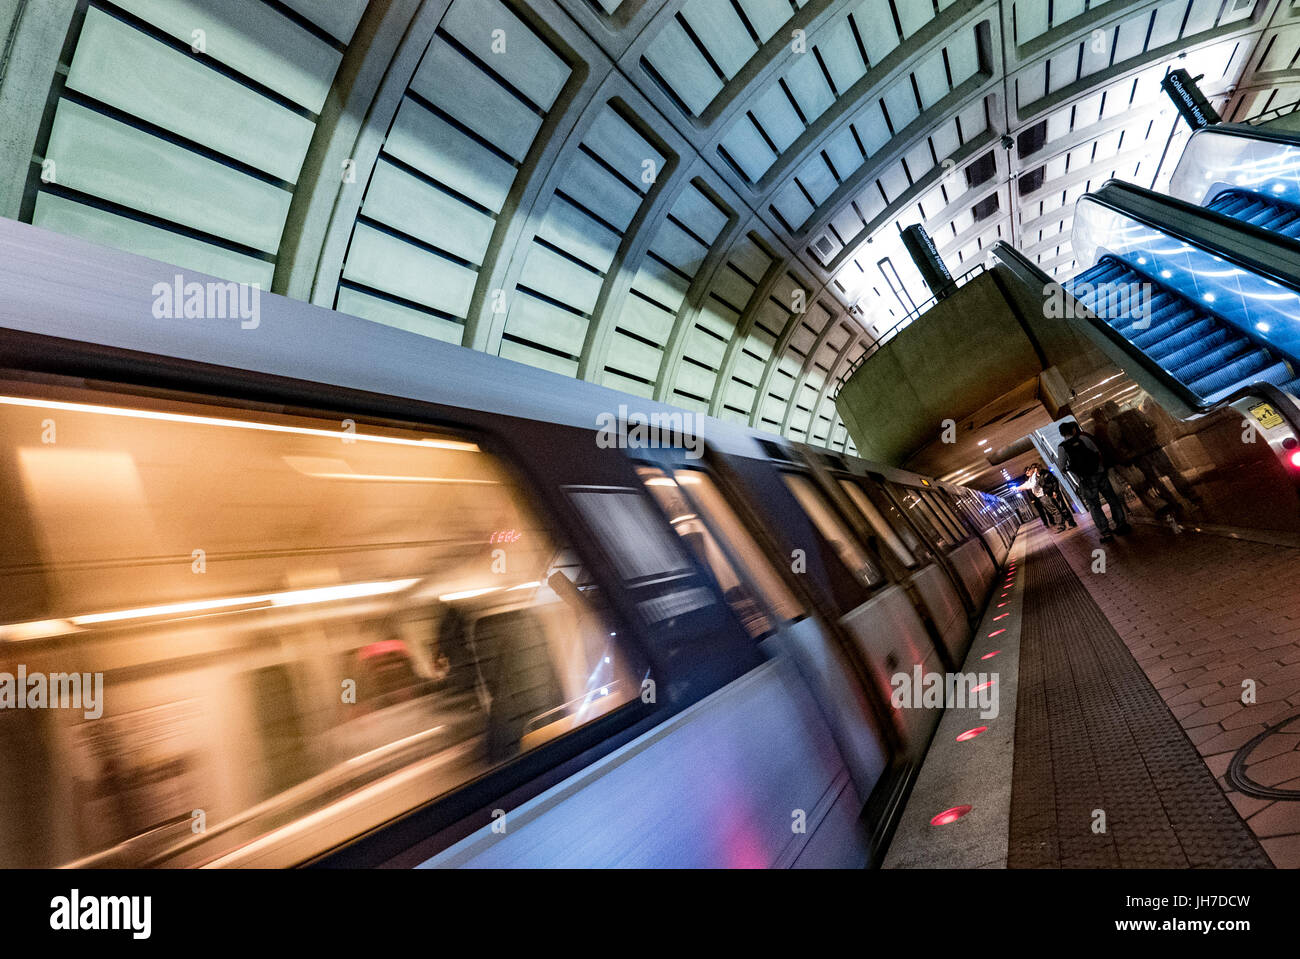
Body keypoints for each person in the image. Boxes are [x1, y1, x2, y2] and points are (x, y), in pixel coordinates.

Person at [1107, 400, 1202, 523]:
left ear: (1108, 412)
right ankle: (1191, 496)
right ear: (1117, 406)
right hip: (1154, 448)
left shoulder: (1113, 424)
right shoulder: (1134, 412)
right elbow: (1152, 424)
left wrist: (1129, 452)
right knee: (1172, 473)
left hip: (1139, 457)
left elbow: (1116, 444)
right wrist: (1151, 438)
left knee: (1155, 481)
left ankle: (1174, 504)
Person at [1058, 419, 1130, 543]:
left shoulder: (1062, 447)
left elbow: (1061, 467)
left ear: (1062, 434)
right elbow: (1097, 452)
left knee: (1094, 506)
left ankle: (1106, 533)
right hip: (1099, 474)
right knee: (1112, 499)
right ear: (1072, 430)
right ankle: (1121, 524)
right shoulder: (1083, 439)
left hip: (1085, 480)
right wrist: (1100, 468)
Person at [1016, 463, 1060, 529]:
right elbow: (1026, 484)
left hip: (1043, 495)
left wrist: (1022, 488)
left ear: (1032, 470)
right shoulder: (1030, 479)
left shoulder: (1034, 476)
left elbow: (1032, 485)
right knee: (1050, 510)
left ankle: (1060, 524)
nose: (1027, 472)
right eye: (1026, 472)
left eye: (1029, 470)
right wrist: (1018, 488)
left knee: (1053, 510)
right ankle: (1059, 524)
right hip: (1039, 497)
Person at [1038, 465, 1077, 530]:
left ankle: (1072, 523)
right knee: (1058, 509)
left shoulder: (1047, 474)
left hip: (1054, 493)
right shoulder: (1040, 477)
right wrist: (1046, 493)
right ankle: (1063, 525)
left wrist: (1054, 491)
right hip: (1049, 494)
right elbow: (1043, 487)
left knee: (1063, 508)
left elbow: (1055, 482)